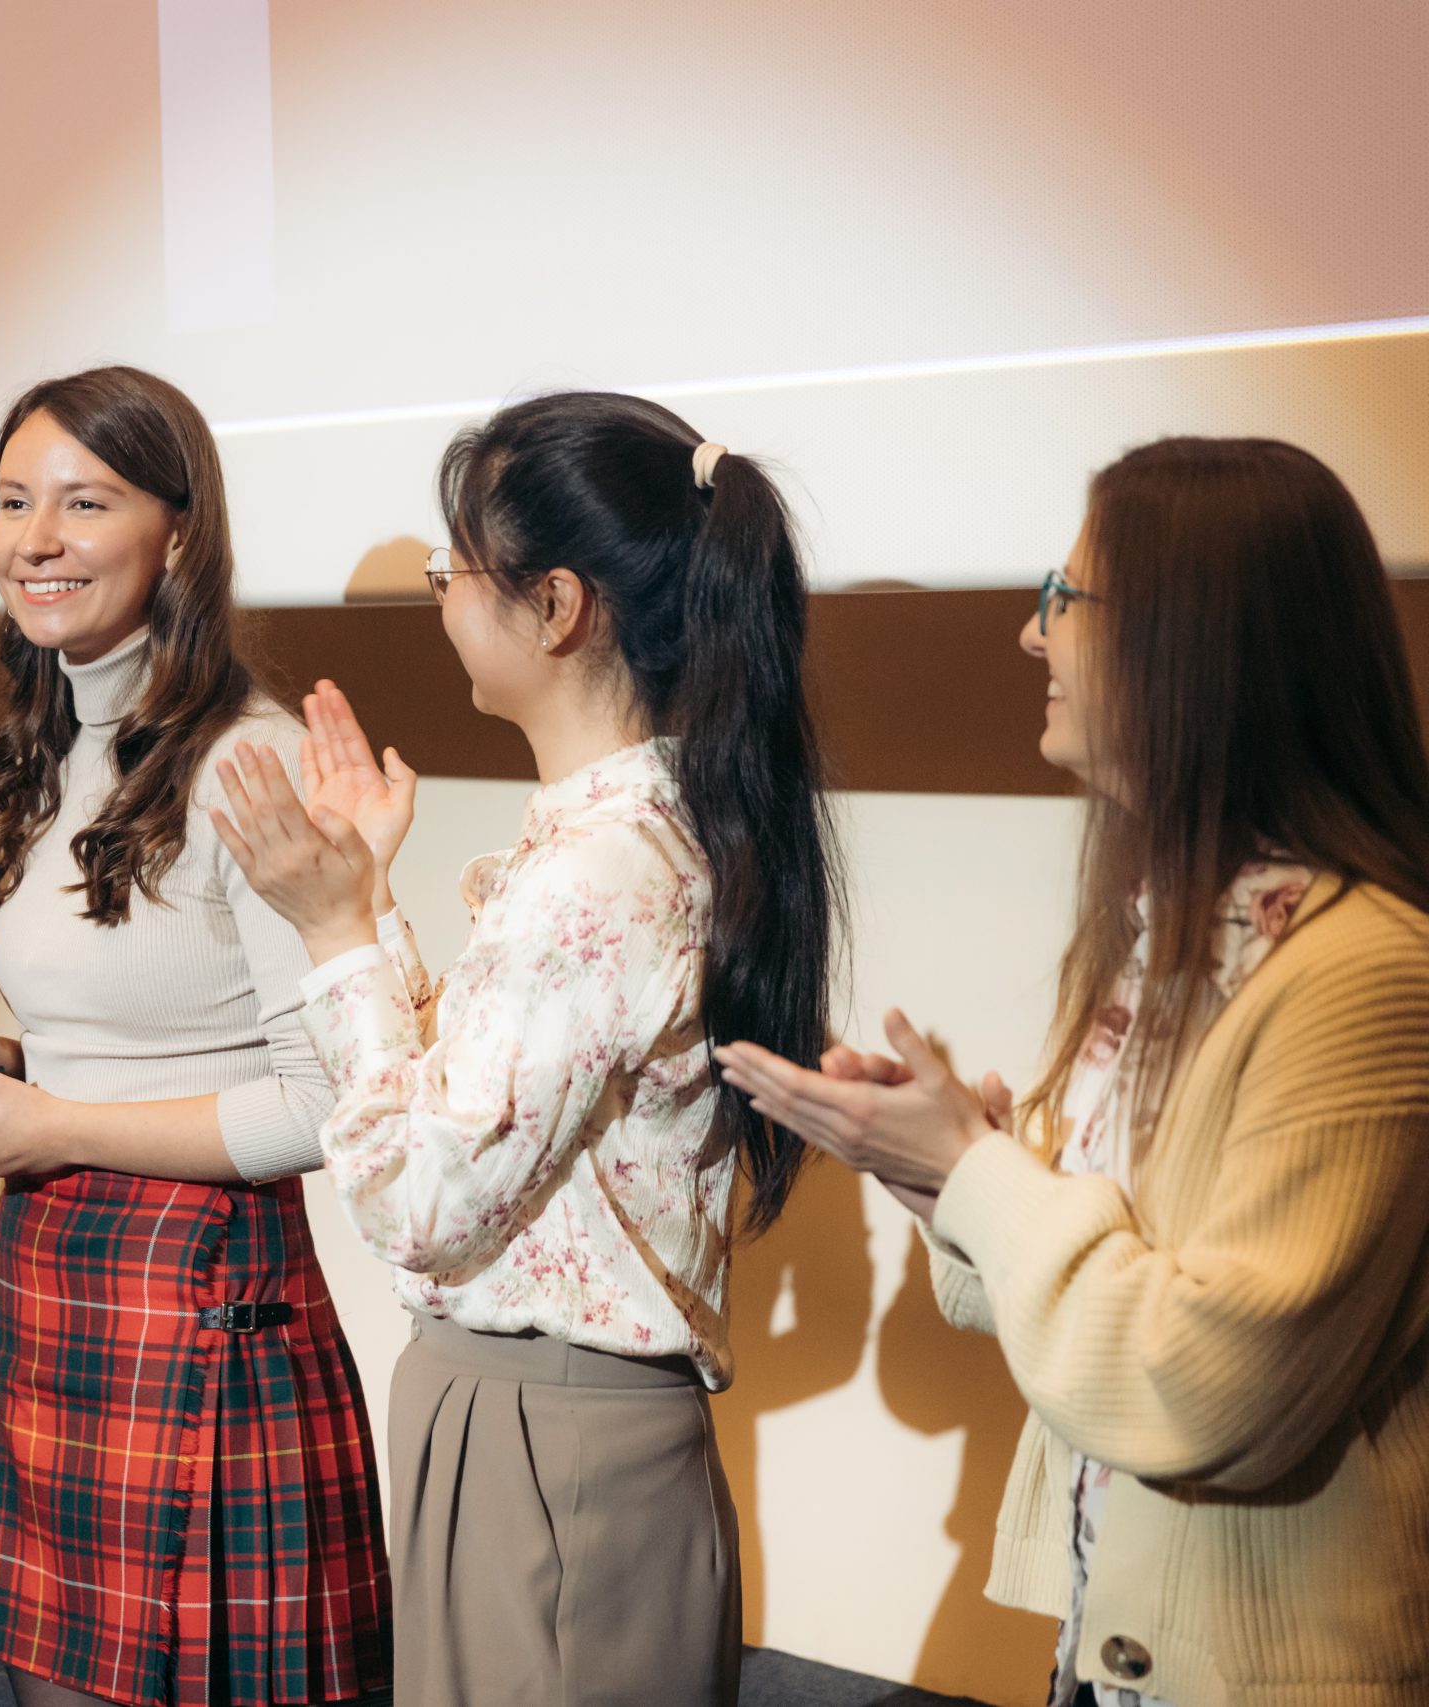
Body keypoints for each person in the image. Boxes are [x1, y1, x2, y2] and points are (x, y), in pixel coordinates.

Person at [716, 437, 1429, 1707]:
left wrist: (980, 1169)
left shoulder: (1365, 975)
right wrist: (933, 1168)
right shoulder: (1169, 935)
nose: (1033, 638)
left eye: (1066, 597)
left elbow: (1193, 1383)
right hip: (1113, 1651)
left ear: (1191, 641)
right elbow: (1066, 1313)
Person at [213, 393, 837, 1705]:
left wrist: (334, 929)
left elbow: (421, 1200)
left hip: (549, 1441)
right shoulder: (619, 834)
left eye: (453, 568)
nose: (439, 596)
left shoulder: (602, 866)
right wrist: (366, 901)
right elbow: (471, 1113)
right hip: (526, 1423)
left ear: (556, 607)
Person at [0, 367, 392, 1707]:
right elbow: (132, 1042)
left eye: (83, 500)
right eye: (11, 501)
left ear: (179, 531)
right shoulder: (57, 744)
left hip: (200, 1300)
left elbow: (332, 1102)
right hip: (54, 1273)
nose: (32, 538)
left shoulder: (248, 757)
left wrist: (48, 1122)